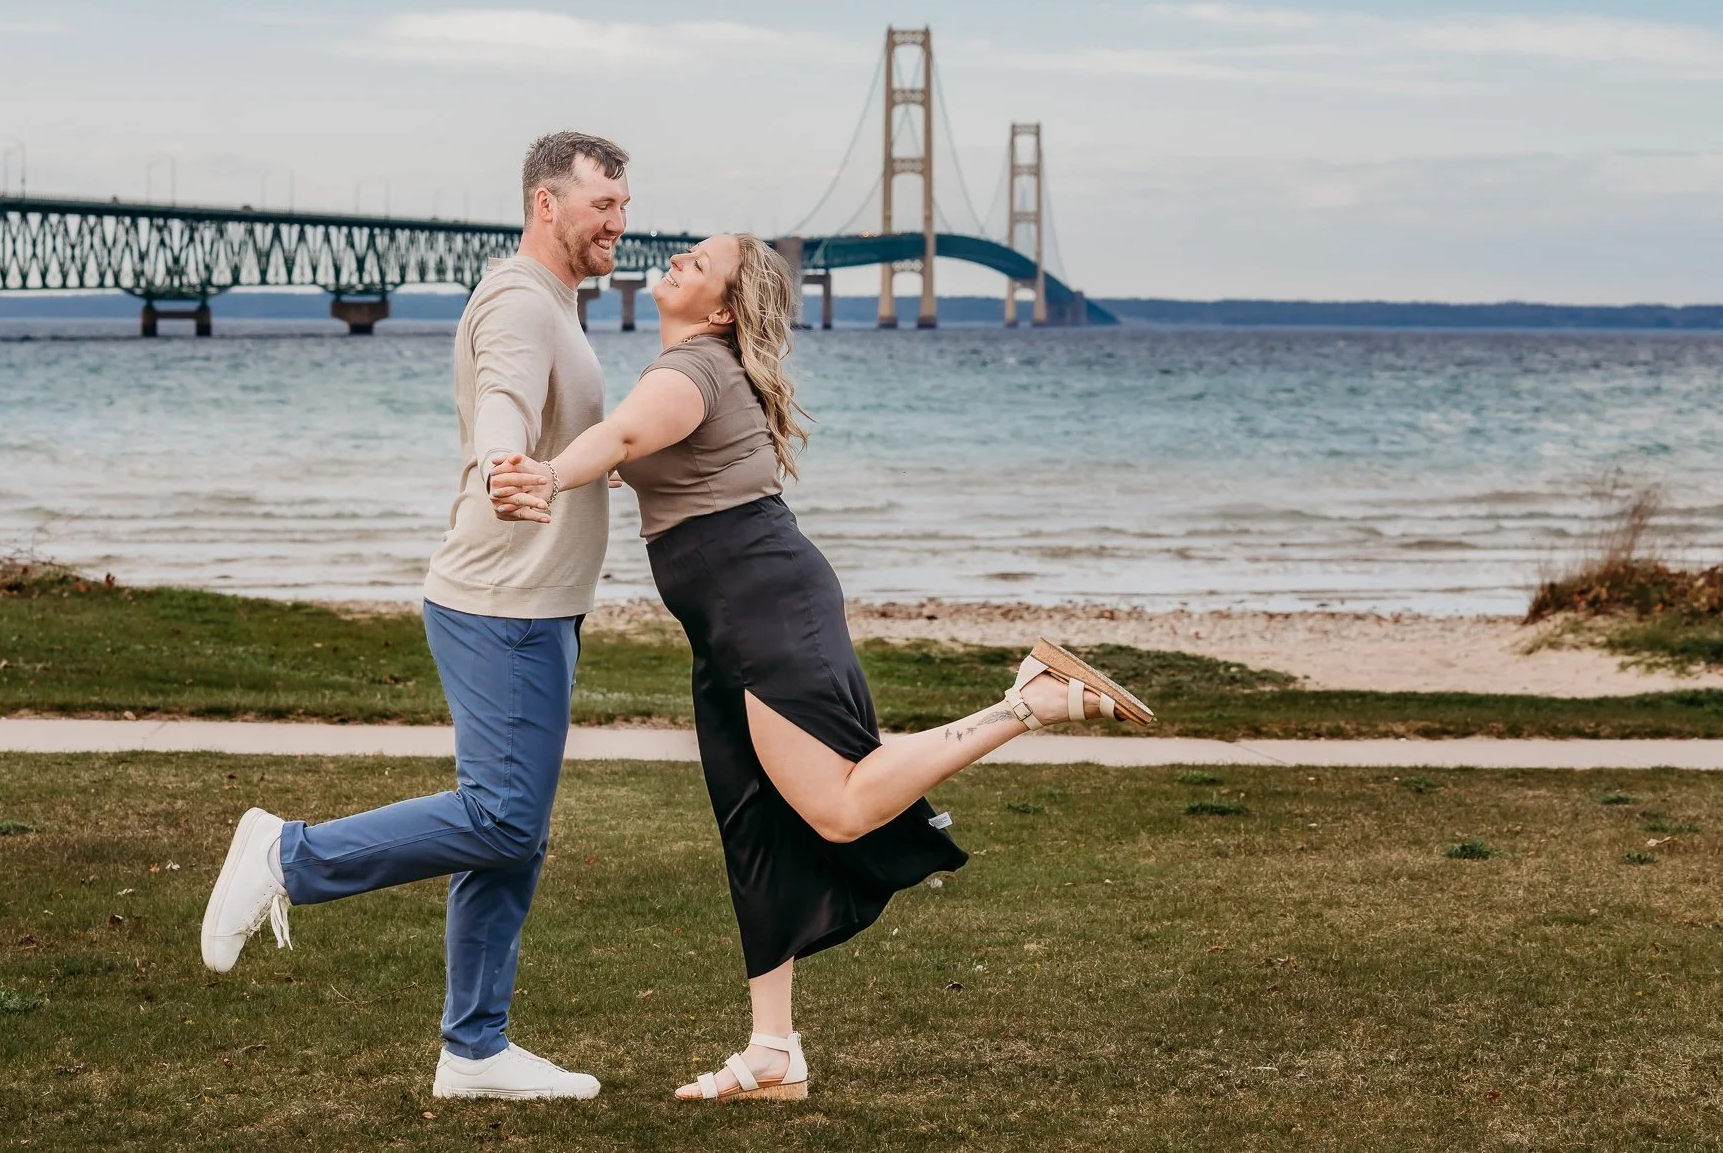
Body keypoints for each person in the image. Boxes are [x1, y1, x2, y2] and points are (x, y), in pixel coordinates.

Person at [488, 233, 1154, 1102]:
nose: (680, 259)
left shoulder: (691, 369)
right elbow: (643, 453)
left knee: (837, 808)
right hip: (730, 615)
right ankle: (773, 1052)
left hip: (762, 604)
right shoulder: (695, 370)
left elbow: (615, 435)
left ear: (723, 308)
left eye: (700, 262)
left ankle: (1026, 703)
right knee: (755, 831)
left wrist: (543, 470)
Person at [198, 131, 632, 1101]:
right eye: (601, 205)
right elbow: (501, 405)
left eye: (623, 206)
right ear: (546, 205)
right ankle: (286, 853)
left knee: (512, 833)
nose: (617, 223)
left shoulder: (554, 300)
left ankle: (474, 1049)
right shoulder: (521, 302)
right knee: (501, 815)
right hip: (501, 603)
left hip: (539, 605)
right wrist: (501, 467)